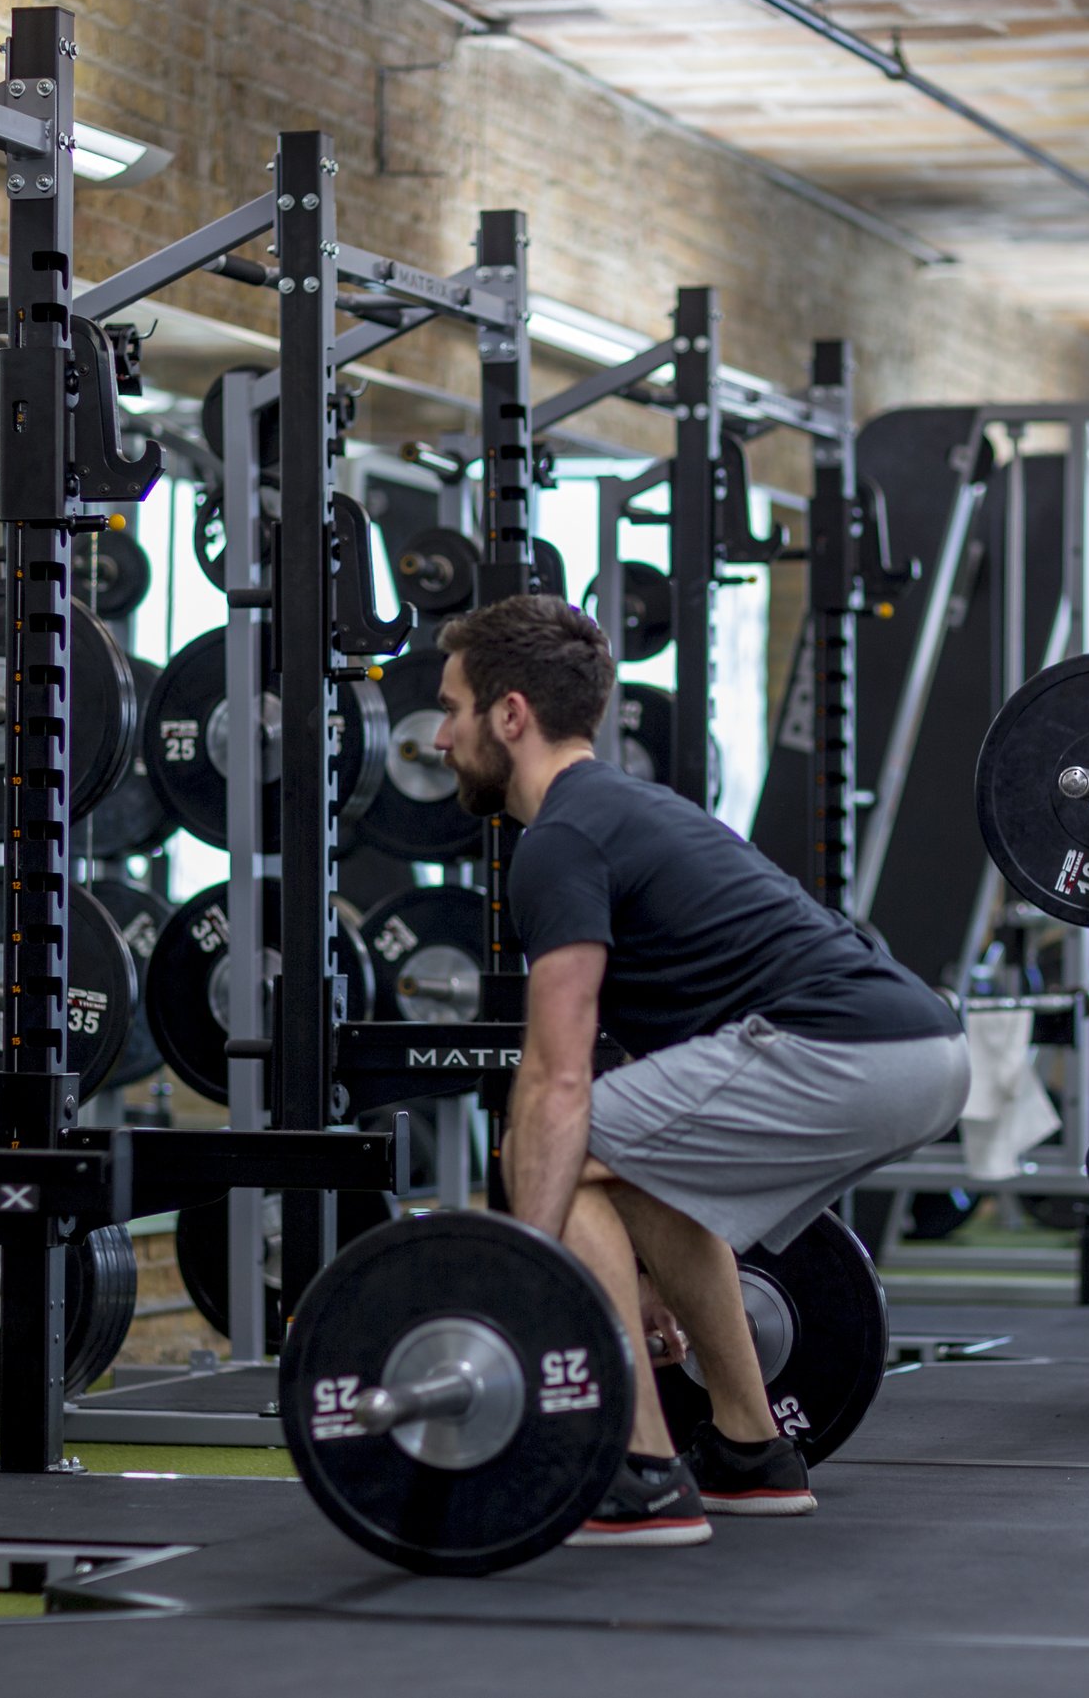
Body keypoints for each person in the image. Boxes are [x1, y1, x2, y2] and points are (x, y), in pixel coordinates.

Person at [431, 595, 970, 1547]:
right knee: (611, 1154)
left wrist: (523, 1269)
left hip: (844, 1047)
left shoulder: (558, 843)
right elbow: (650, 1082)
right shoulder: (630, 808)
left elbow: (557, 1082)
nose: (438, 737)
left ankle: (635, 1468)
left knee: (550, 1142)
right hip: (917, 1051)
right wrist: (630, 1270)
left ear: (509, 715)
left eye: (453, 708)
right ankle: (749, 1451)